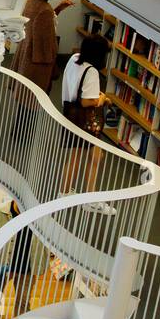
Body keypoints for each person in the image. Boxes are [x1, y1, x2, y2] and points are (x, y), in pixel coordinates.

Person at [61, 33, 112, 212]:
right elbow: (86, 101)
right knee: (80, 156)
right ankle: (82, 198)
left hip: (70, 114)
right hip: (84, 120)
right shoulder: (92, 72)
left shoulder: (74, 59)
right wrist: (102, 99)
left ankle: (72, 194)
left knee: (93, 156)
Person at [11, 0, 73, 92]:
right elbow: (47, 42)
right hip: (36, 60)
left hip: (25, 49)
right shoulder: (46, 10)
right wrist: (53, 59)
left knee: (21, 91)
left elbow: (40, 21)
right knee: (31, 96)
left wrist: (59, 8)